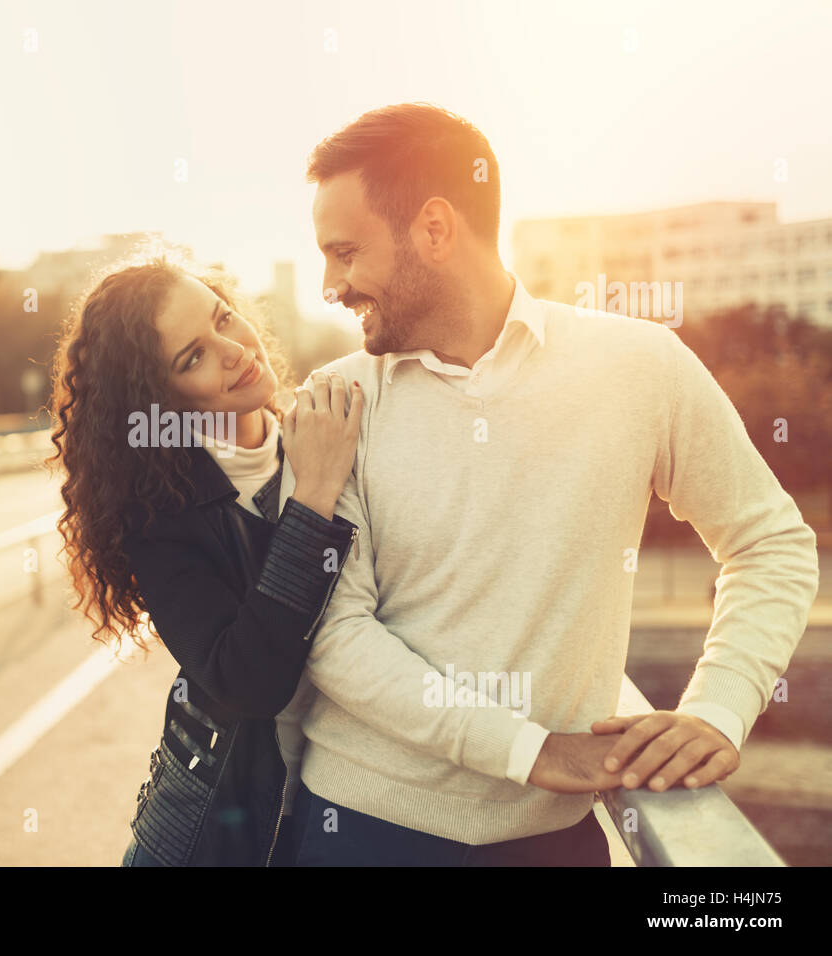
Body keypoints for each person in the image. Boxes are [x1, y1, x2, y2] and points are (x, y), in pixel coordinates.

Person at [281, 103, 819, 865]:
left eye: (344, 253)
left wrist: (719, 709)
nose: (330, 286)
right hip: (360, 829)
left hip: (552, 844)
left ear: (434, 229)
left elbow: (770, 543)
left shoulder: (640, 367)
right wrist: (532, 752)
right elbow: (335, 635)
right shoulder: (335, 403)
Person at [46, 255, 362, 865]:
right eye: (193, 357)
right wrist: (313, 499)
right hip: (213, 836)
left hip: (332, 811)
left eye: (223, 318)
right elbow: (248, 681)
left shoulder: (317, 432)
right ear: (160, 400)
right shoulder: (158, 516)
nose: (235, 350)